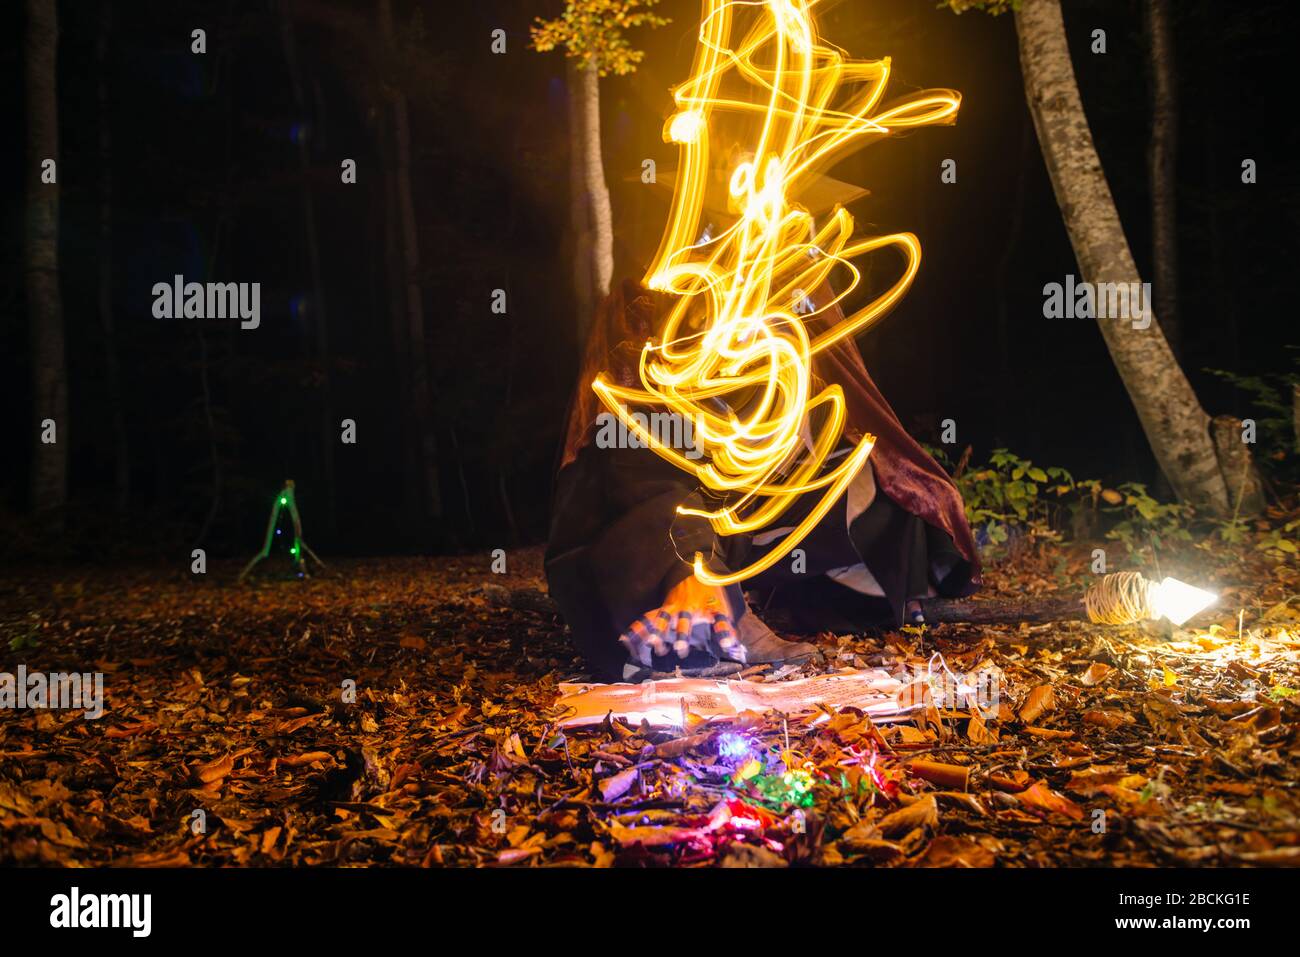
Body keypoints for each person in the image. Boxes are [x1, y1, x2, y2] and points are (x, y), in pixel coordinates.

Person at [545, 279, 981, 681]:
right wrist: (694, 574)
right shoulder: (639, 359)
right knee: (667, 517)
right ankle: (705, 612)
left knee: (867, 479)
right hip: (628, 530)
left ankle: (837, 598)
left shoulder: (754, 356)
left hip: (733, 516)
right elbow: (647, 486)